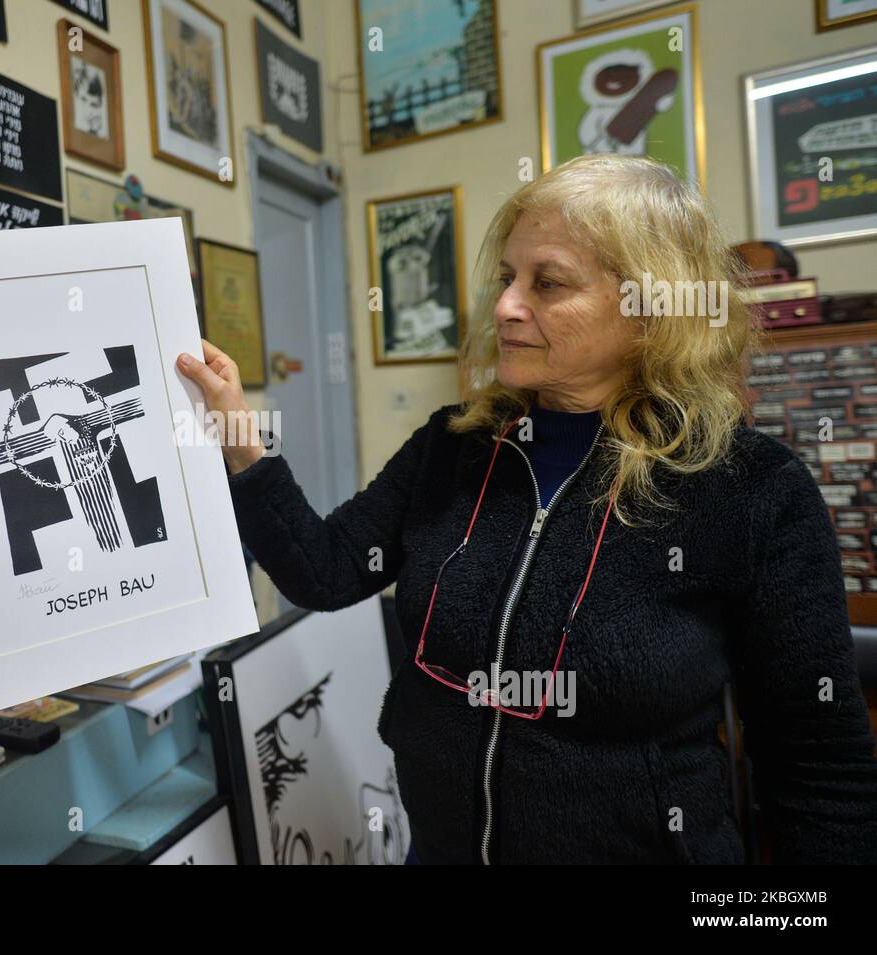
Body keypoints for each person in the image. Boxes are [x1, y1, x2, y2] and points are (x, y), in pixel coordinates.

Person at [175, 154, 877, 864]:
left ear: (647, 309)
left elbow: (818, 768)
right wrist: (240, 435)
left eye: (548, 283)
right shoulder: (453, 447)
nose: (507, 305)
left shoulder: (750, 487)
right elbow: (322, 571)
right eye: (506, 278)